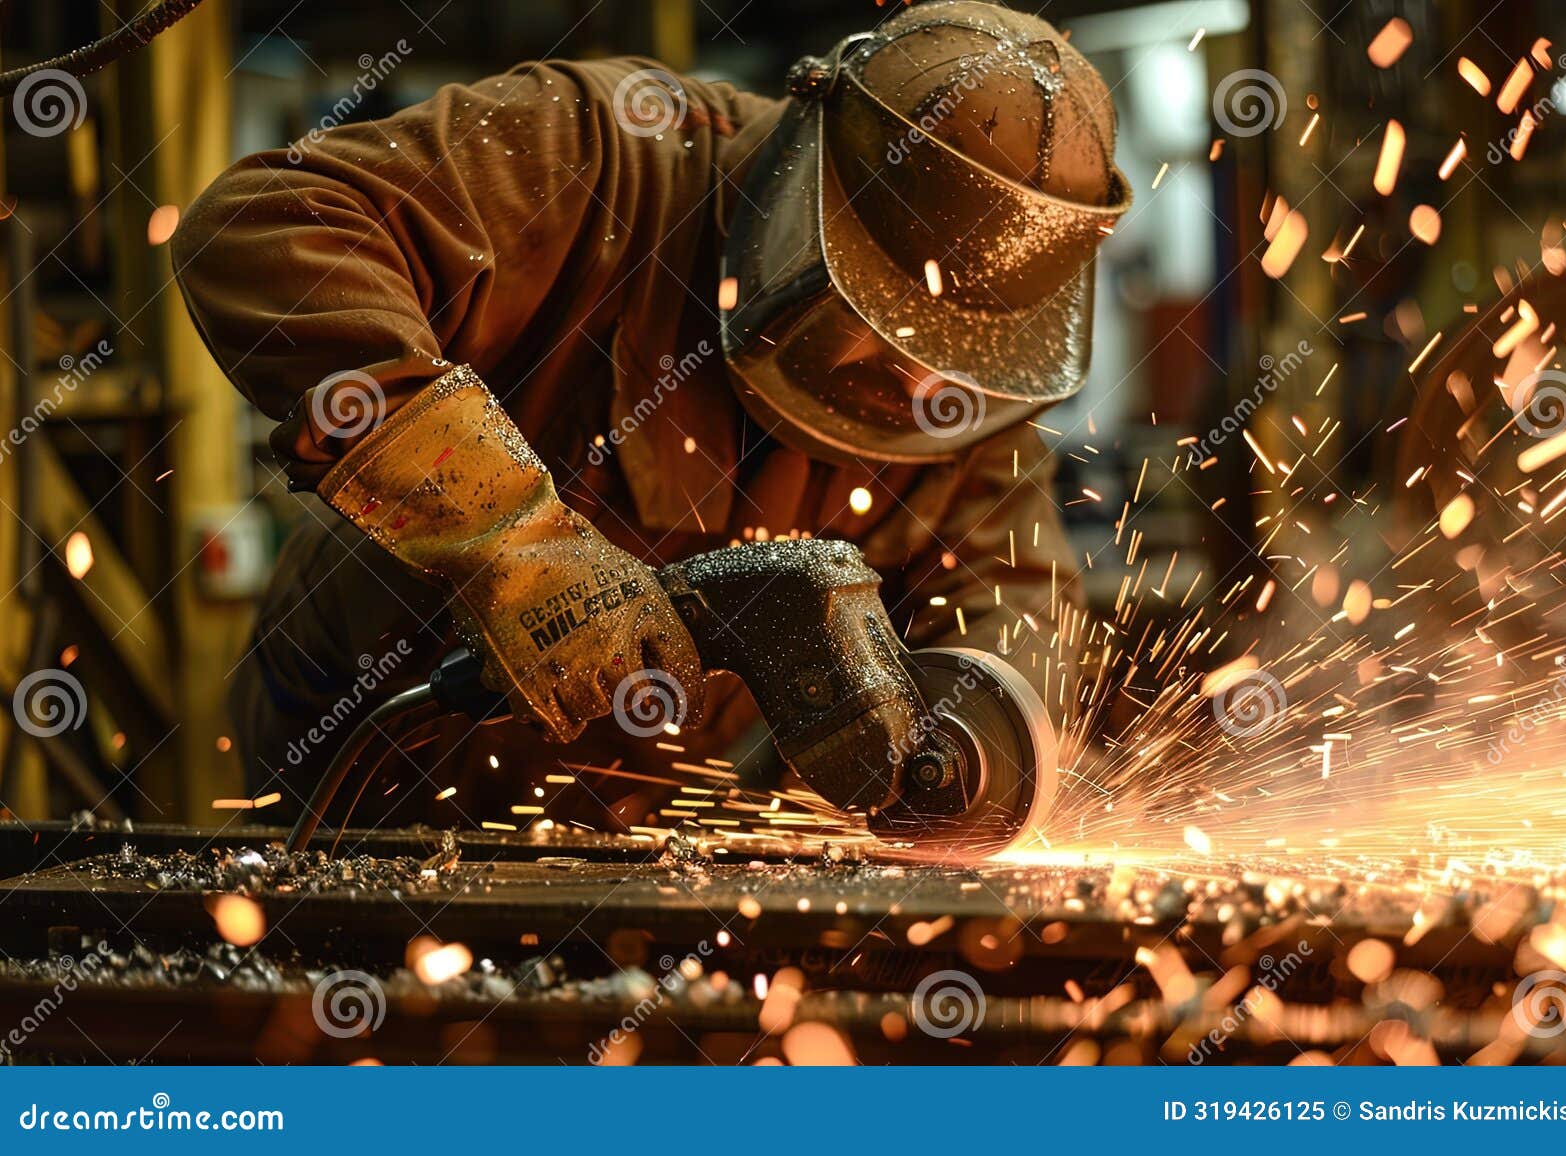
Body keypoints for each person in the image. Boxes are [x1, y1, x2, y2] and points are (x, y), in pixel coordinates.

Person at [171, 0, 1129, 831]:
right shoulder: (605, 155)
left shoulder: (976, 375)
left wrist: (969, 744)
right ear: (811, 184)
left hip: (658, 827)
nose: (923, 388)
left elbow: (1015, 592)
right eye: (883, 328)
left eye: (950, 356)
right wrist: (510, 539)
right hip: (381, 744)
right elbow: (268, 225)